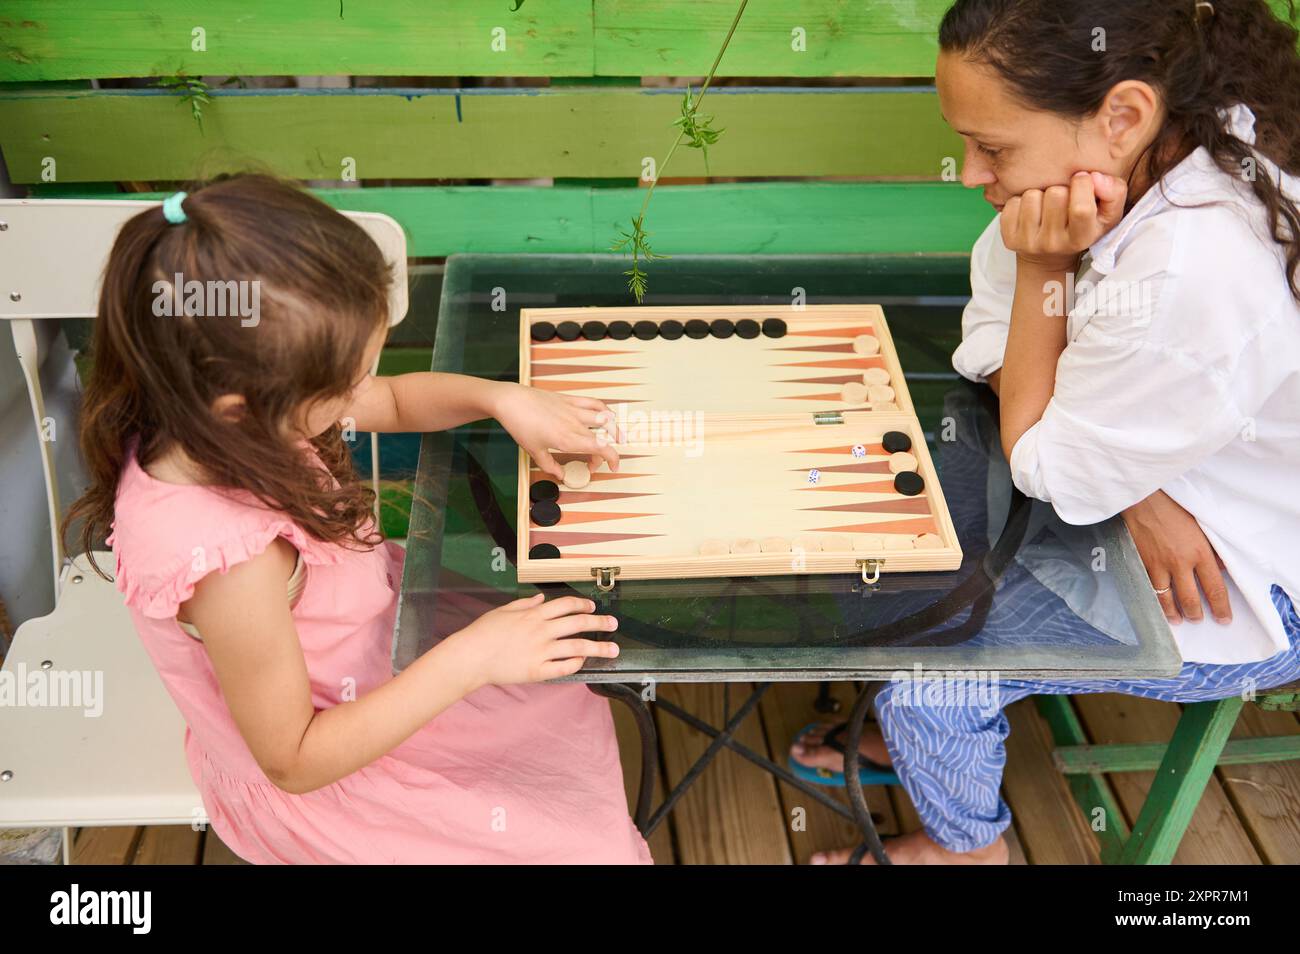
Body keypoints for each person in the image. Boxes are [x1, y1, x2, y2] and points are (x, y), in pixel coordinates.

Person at [791, 0, 1300, 864]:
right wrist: (1133, 483)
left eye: (992, 148)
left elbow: (1047, 462)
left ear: (1122, 114)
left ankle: (966, 850)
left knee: (929, 679)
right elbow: (989, 323)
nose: (967, 173)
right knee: (877, 526)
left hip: (1255, 571)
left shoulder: (1194, 265)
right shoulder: (1148, 144)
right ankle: (930, 736)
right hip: (1149, 472)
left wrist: (1045, 271)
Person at [67, 174, 650, 863]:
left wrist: (502, 398)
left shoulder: (211, 406)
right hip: (340, 771)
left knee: (563, 694)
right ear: (241, 407)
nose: (362, 390)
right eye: (346, 382)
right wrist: (474, 658)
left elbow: (397, 402)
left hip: (380, 647)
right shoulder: (229, 563)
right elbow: (295, 758)